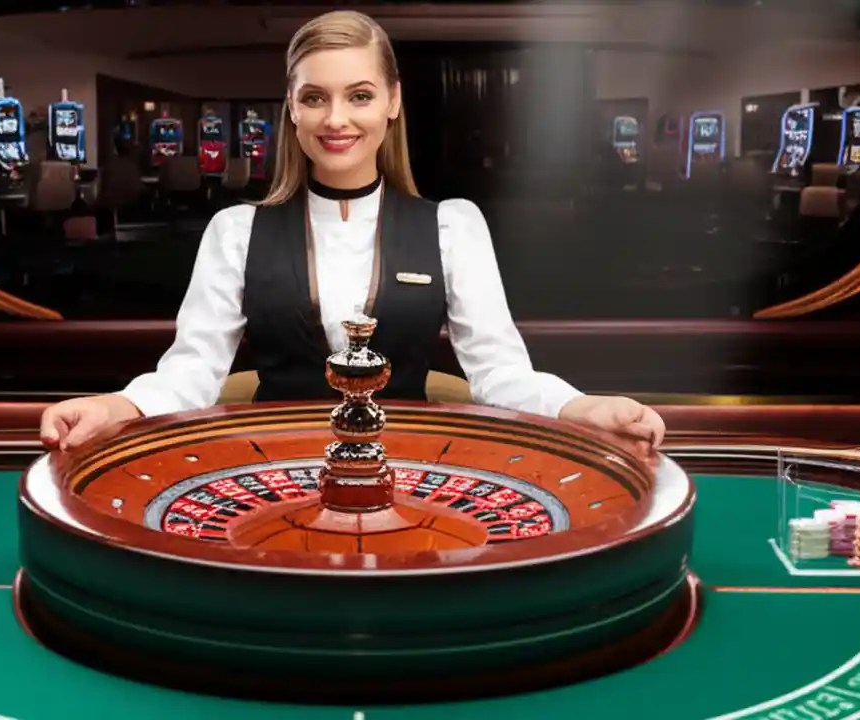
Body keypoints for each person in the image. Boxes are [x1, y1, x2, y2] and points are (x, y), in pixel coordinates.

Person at [39, 10, 666, 452]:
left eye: (359, 95)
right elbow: (192, 372)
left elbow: (500, 374)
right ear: (291, 106)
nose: (335, 118)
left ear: (393, 101)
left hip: (413, 468)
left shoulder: (454, 226)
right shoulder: (235, 231)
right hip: (270, 464)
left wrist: (581, 407)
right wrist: (117, 406)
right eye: (315, 98)